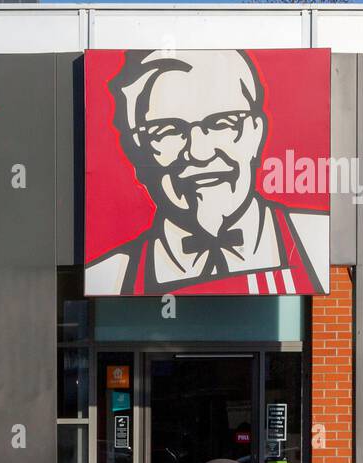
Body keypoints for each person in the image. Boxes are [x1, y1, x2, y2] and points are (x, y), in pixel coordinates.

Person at [84, 49, 327, 295]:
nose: (199, 153)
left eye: (222, 123)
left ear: (256, 134)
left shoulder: (315, 242)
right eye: (167, 130)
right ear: (137, 152)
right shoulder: (110, 276)